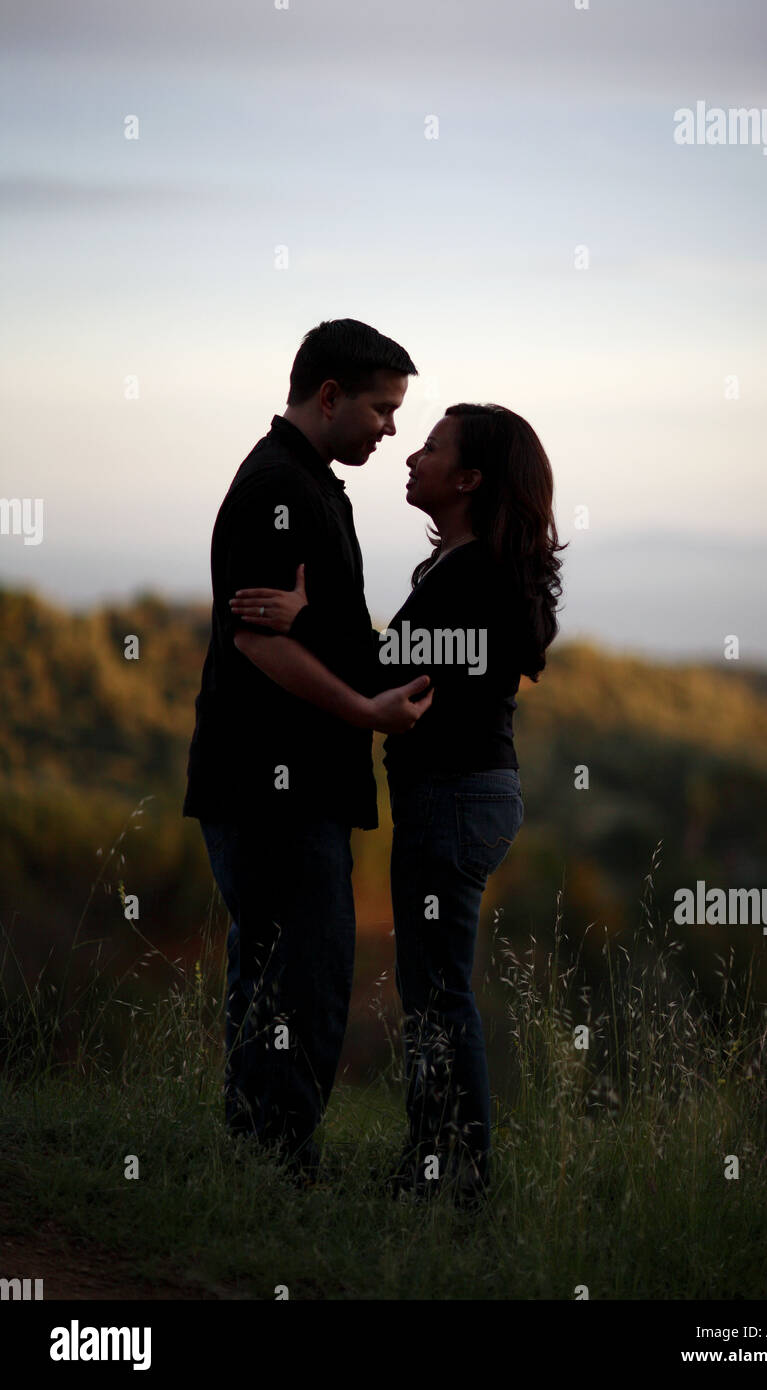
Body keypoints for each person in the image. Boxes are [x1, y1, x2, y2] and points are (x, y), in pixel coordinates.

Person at [231, 403, 564, 1205]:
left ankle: (452, 1178)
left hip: (455, 799)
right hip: (460, 798)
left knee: (438, 992)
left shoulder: (476, 571)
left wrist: (304, 619)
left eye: (431, 447)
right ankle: (441, 1166)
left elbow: (396, 666)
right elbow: (401, 658)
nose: (409, 455)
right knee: (435, 989)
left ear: (469, 479)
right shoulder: (462, 568)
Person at [182, 318, 433, 1185]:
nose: (390, 429)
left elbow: (317, 631)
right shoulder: (276, 490)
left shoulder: (309, 483)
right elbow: (260, 643)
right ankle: (278, 1169)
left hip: (283, 789)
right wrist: (366, 709)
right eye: (381, 408)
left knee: (274, 977)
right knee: (306, 982)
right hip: (270, 788)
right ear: (329, 396)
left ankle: (257, 1163)